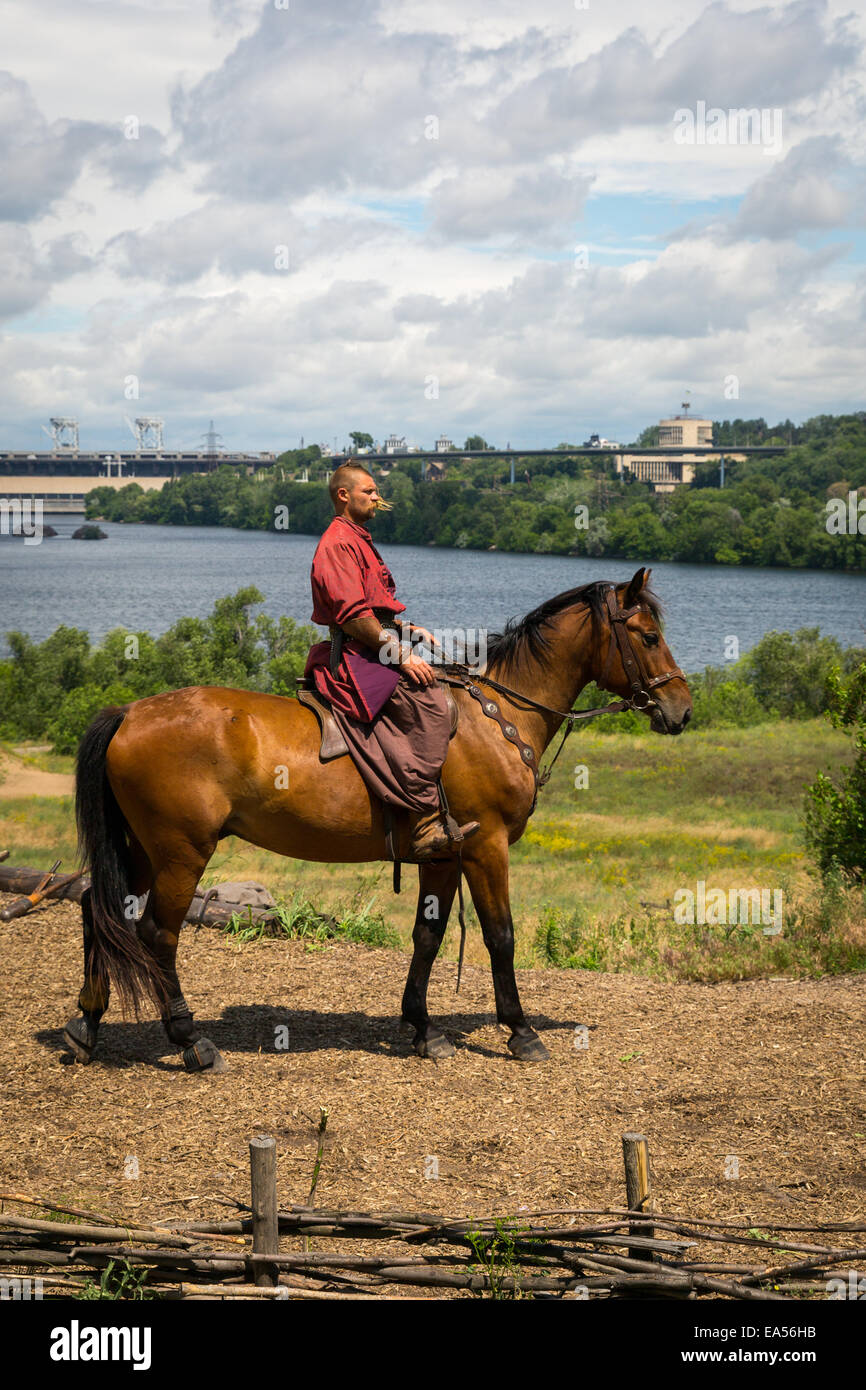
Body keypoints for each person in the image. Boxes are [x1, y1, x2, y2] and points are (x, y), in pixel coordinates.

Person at [303, 464, 479, 861]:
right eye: (369, 491)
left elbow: (371, 609)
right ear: (343, 495)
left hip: (372, 644)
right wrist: (401, 656)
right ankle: (422, 820)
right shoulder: (337, 543)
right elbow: (352, 617)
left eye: (377, 490)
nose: (377, 497)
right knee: (429, 702)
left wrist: (404, 628)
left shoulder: (357, 539)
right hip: (356, 655)